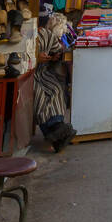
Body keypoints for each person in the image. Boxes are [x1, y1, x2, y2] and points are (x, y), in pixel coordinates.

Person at [34, 13, 77, 150]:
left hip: (43, 72)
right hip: (31, 74)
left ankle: (57, 126)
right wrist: (36, 58)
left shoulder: (47, 36)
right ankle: (55, 131)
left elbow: (57, 51)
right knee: (39, 94)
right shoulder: (38, 36)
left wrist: (53, 58)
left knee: (56, 89)